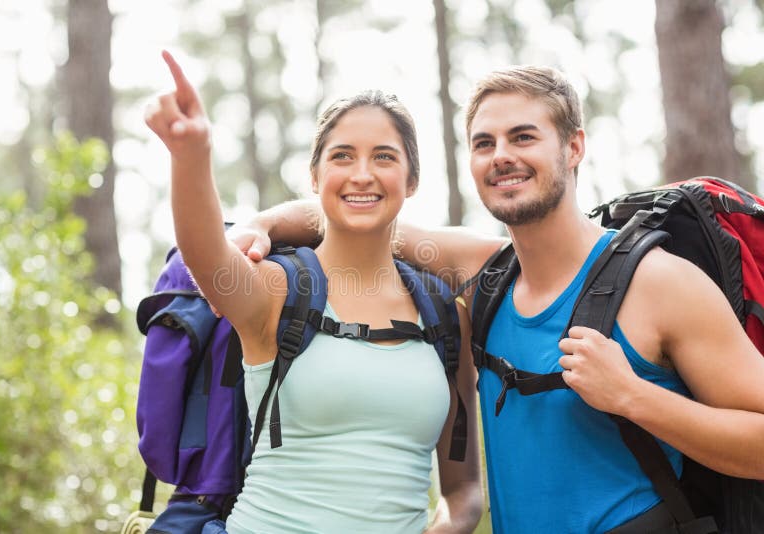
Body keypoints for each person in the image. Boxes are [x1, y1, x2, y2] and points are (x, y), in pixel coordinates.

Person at [232, 65, 764, 533]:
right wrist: (258, 224)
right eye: (485, 143)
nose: (502, 156)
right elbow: (351, 211)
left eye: (524, 137)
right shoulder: (486, 273)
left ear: (574, 147)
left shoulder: (659, 283)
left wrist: (634, 396)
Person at [144, 50, 482, 533]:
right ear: (316, 177)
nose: (362, 173)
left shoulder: (446, 316)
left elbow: (463, 493)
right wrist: (191, 157)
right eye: (342, 155)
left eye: (383, 157)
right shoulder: (279, 289)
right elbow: (208, 257)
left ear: (411, 181)